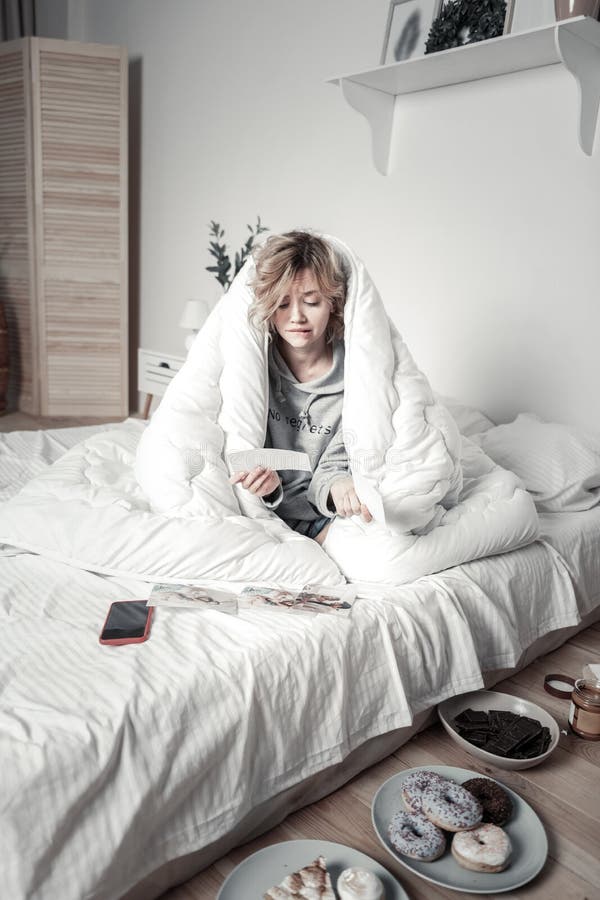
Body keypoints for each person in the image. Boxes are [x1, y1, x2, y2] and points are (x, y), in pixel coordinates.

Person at [228, 230, 372, 545]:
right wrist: (269, 487)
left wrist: (341, 488)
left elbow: (339, 463)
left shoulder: (357, 376)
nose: (296, 317)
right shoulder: (253, 368)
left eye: (311, 302)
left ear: (332, 303)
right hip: (264, 518)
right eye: (282, 304)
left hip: (331, 521)